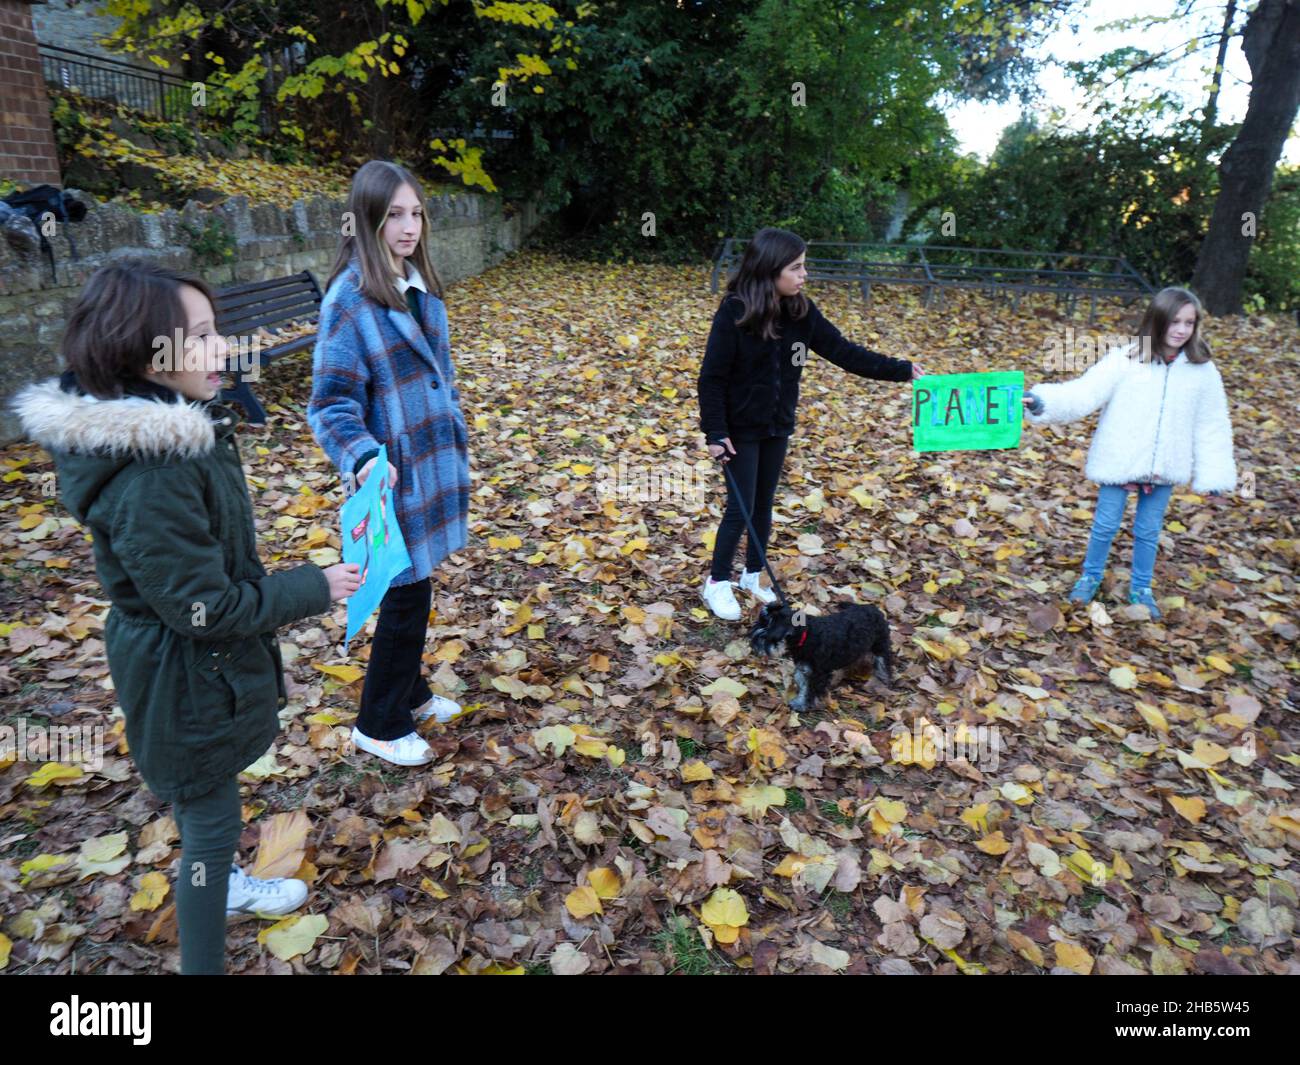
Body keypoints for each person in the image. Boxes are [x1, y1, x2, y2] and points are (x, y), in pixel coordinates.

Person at [11, 259, 361, 974]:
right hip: (185, 681)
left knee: (207, 814)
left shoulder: (175, 435)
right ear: (143, 351)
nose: (221, 349)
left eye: (217, 330)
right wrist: (316, 586)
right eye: (199, 336)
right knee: (208, 828)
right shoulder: (153, 471)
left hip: (190, 671)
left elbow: (206, 570)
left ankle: (222, 884)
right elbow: (205, 608)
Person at [307, 159, 472, 766]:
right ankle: (378, 721)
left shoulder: (416, 287)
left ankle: (413, 690)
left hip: (429, 467)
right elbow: (330, 405)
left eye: (416, 213)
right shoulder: (350, 301)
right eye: (394, 215)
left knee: (418, 582)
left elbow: (439, 380)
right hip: (391, 478)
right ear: (367, 220)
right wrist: (365, 456)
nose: (408, 228)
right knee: (405, 594)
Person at [696, 227, 925, 620]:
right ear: (770, 270)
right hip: (739, 430)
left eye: (804, 267)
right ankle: (717, 582)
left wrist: (902, 370)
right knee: (741, 508)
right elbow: (711, 377)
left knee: (764, 504)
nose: (804, 275)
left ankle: (753, 574)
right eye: (797, 268)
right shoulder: (735, 311)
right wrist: (716, 432)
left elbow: (844, 351)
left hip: (777, 425)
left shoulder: (801, 311)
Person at [1021, 286, 1236, 619]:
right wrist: (1044, 403)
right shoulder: (1127, 358)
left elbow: (1212, 423)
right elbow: (1085, 393)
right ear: (1157, 320)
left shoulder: (1202, 370)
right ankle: (1089, 576)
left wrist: (1215, 474)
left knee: (1149, 530)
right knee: (1105, 525)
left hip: (1166, 464)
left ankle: (1142, 587)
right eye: (1174, 321)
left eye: (1189, 323)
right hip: (1120, 459)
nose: (1181, 330)